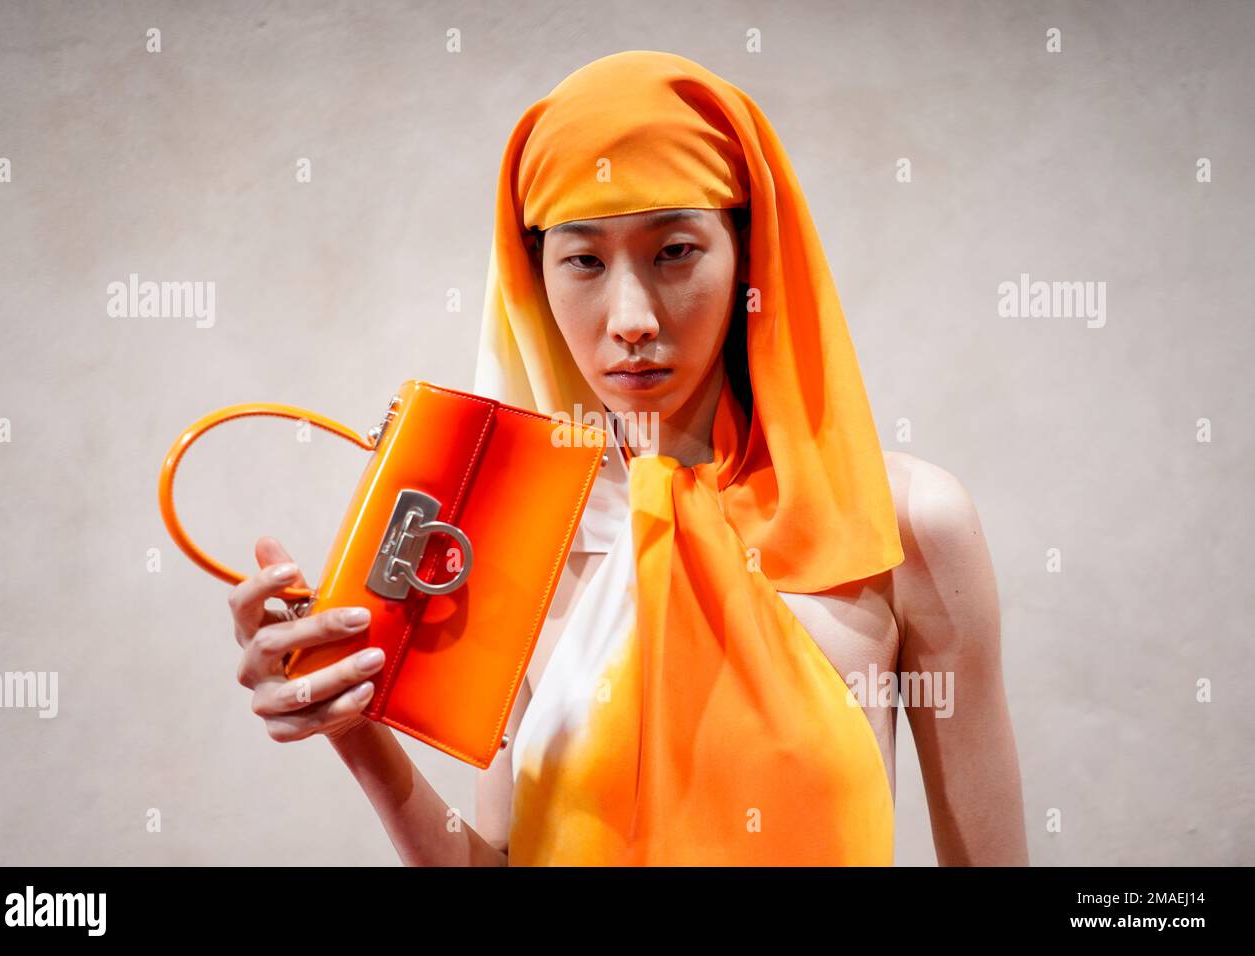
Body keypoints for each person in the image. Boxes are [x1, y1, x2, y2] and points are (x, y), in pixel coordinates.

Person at [226, 51, 1028, 866]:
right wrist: (356, 729)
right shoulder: (504, 542)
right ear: (533, 278)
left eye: (674, 250)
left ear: (749, 254)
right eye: (583, 260)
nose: (632, 316)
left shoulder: (901, 525)